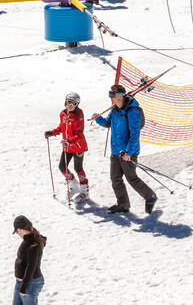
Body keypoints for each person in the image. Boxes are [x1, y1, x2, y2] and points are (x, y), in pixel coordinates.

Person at [91, 84, 157, 215]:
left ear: (120, 97)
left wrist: (129, 152)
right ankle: (123, 204)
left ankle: (150, 196)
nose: (110, 98)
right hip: (116, 151)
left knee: (131, 178)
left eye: (112, 95)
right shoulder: (115, 110)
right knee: (115, 178)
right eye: (110, 95)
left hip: (128, 152)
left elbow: (135, 135)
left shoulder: (132, 112)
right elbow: (108, 123)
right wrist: (98, 119)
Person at [9, 215, 45, 305]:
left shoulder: (32, 244)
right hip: (21, 282)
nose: (17, 233)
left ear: (21, 229)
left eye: (17, 231)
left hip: (30, 283)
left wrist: (24, 287)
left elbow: (31, 267)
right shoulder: (30, 239)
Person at [45, 91, 89, 198]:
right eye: (69, 102)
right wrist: (52, 133)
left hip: (78, 146)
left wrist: (70, 140)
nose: (70, 105)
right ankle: (74, 185)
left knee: (78, 168)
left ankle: (85, 190)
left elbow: (79, 133)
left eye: (74, 103)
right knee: (62, 167)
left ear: (77, 105)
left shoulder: (79, 114)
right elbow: (61, 127)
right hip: (67, 146)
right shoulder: (63, 114)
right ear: (65, 102)